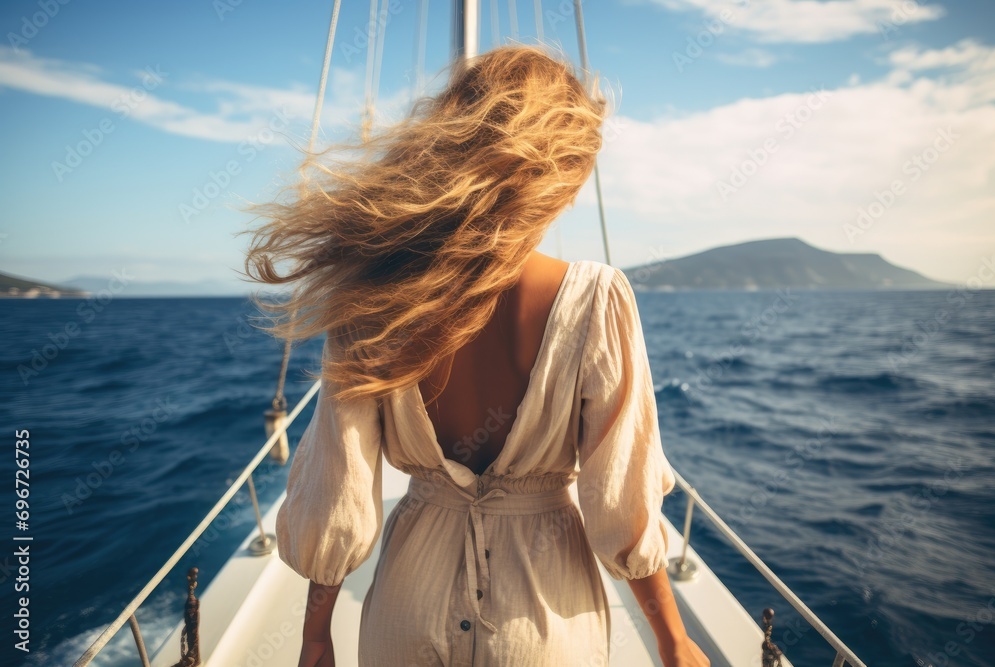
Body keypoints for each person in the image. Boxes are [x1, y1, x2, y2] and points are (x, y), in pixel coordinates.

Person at [243, 43, 709, 667]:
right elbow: (620, 504)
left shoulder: (378, 296)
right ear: (558, 170)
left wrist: (314, 636)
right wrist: (673, 641)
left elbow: (339, 487)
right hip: (543, 618)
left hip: (406, 608)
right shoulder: (595, 298)